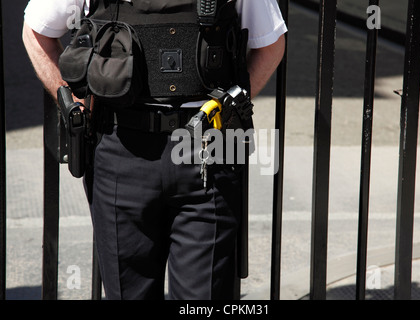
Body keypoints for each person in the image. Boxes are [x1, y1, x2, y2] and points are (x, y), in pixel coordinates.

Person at [23, 0, 287, 300]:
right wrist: (74, 107)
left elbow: (271, 44)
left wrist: (228, 110)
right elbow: (36, 31)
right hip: (120, 145)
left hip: (208, 150)